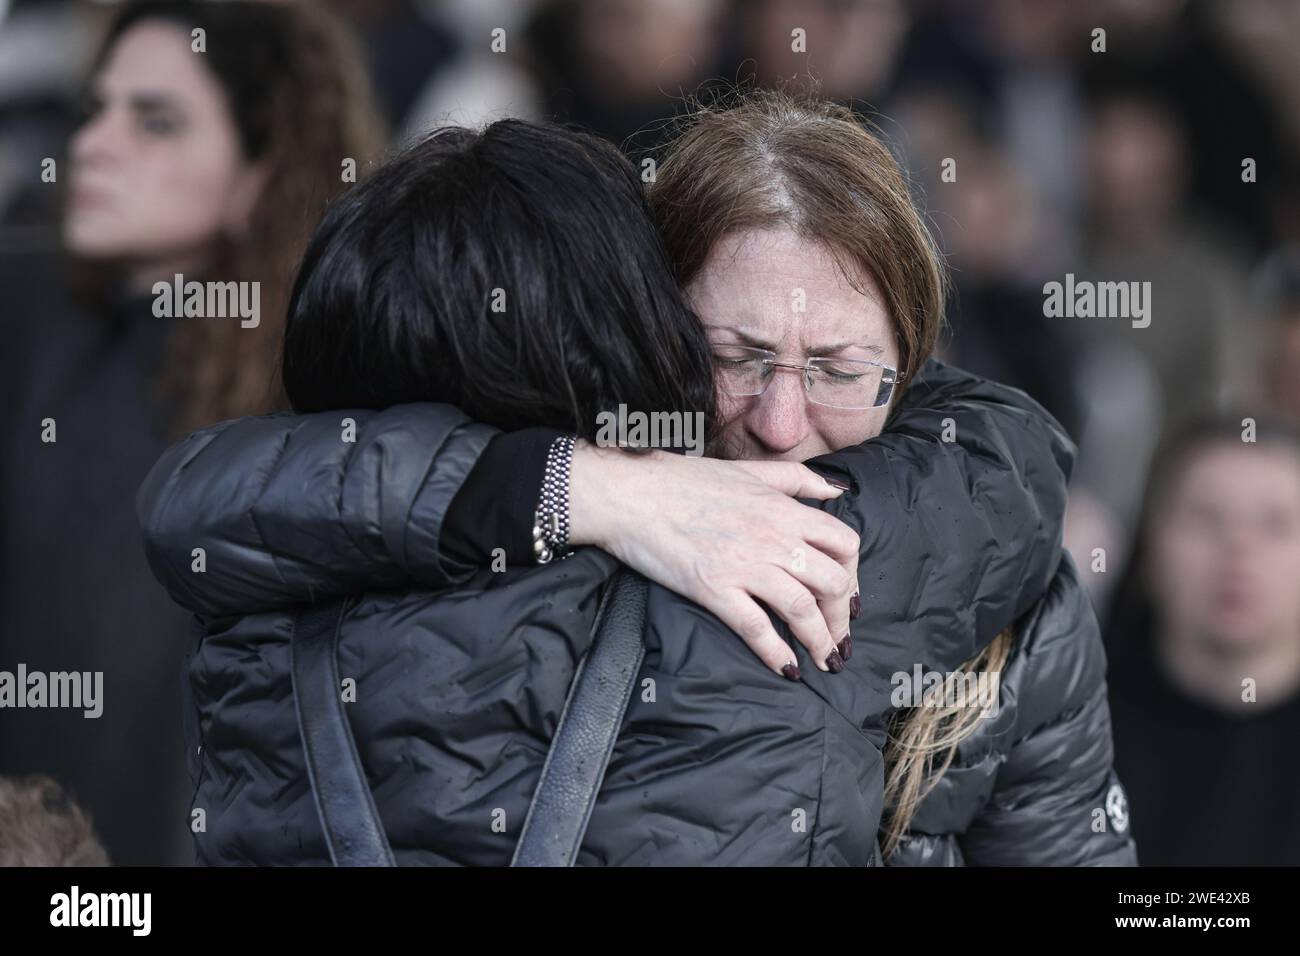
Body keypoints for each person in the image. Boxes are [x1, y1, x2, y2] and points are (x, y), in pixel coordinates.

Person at [140, 98, 1132, 865]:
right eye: (731, 355)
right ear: (645, 331)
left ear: (909, 365)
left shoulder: (997, 575)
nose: (782, 426)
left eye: (838, 369)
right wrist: (591, 488)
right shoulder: (525, 549)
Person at [0, 0, 382, 865]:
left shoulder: (332, 388)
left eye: (157, 121)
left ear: (264, 166)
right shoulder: (24, 313)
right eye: (96, 110)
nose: (95, 142)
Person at [1107, 416, 1300, 865]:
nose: (1239, 550)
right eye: (1206, 518)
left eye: (1275, 524)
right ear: (1150, 544)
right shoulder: (1060, 726)